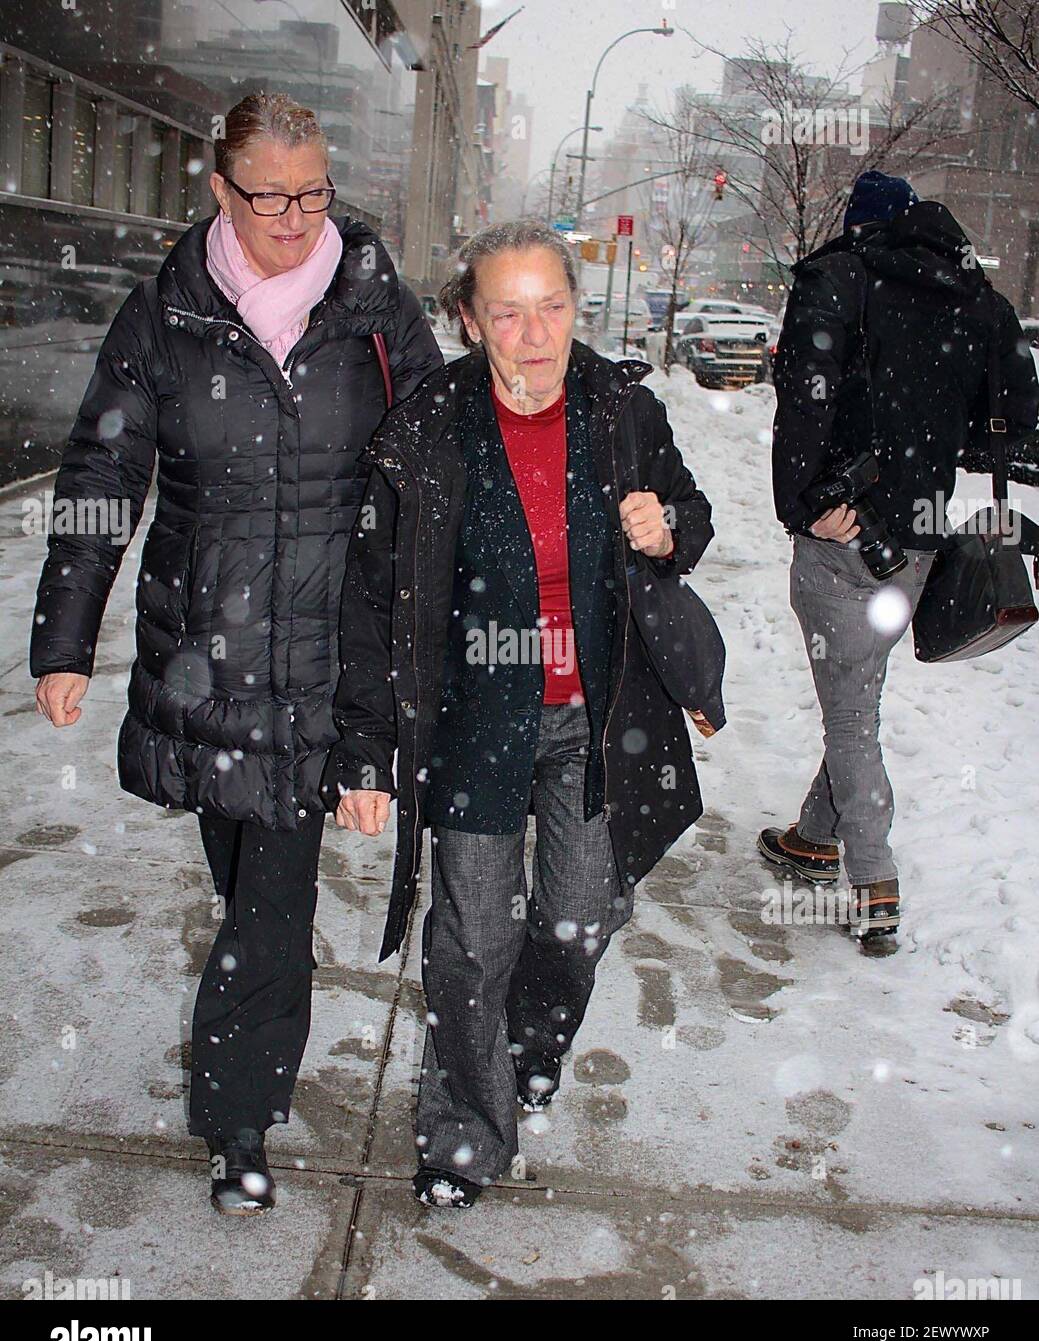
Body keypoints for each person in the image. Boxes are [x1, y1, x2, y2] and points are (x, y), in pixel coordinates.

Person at [30, 92, 442, 1213]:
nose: (299, 216)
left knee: (271, 900)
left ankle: (237, 1120)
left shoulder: (374, 312)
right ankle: (248, 1057)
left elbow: (438, 470)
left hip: (324, 663)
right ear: (220, 190)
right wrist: (65, 636)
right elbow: (101, 476)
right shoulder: (166, 314)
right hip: (201, 661)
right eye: (272, 197)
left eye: (315, 191)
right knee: (247, 884)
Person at [327, 219, 715, 1207]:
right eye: (508, 310)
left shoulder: (619, 409)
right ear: (467, 319)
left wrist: (667, 526)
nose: (535, 332)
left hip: (596, 708)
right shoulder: (426, 429)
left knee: (579, 917)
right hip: (473, 719)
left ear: (576, 310)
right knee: (468, 940)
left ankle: (526, 1044)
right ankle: (462, 1133)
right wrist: (366, 751)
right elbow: (373, 601)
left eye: (553, 306)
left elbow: (690, 511)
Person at [760, 169, 1039, 942]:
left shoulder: (841, 280)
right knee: (858, 699)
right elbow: (1017, 415)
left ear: (862, 225)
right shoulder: (975, 298)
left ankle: (875, 883)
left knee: (851, 717)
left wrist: (805, 506)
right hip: (917, 533)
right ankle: (813, 839)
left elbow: (804, 395)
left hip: (843, 530)